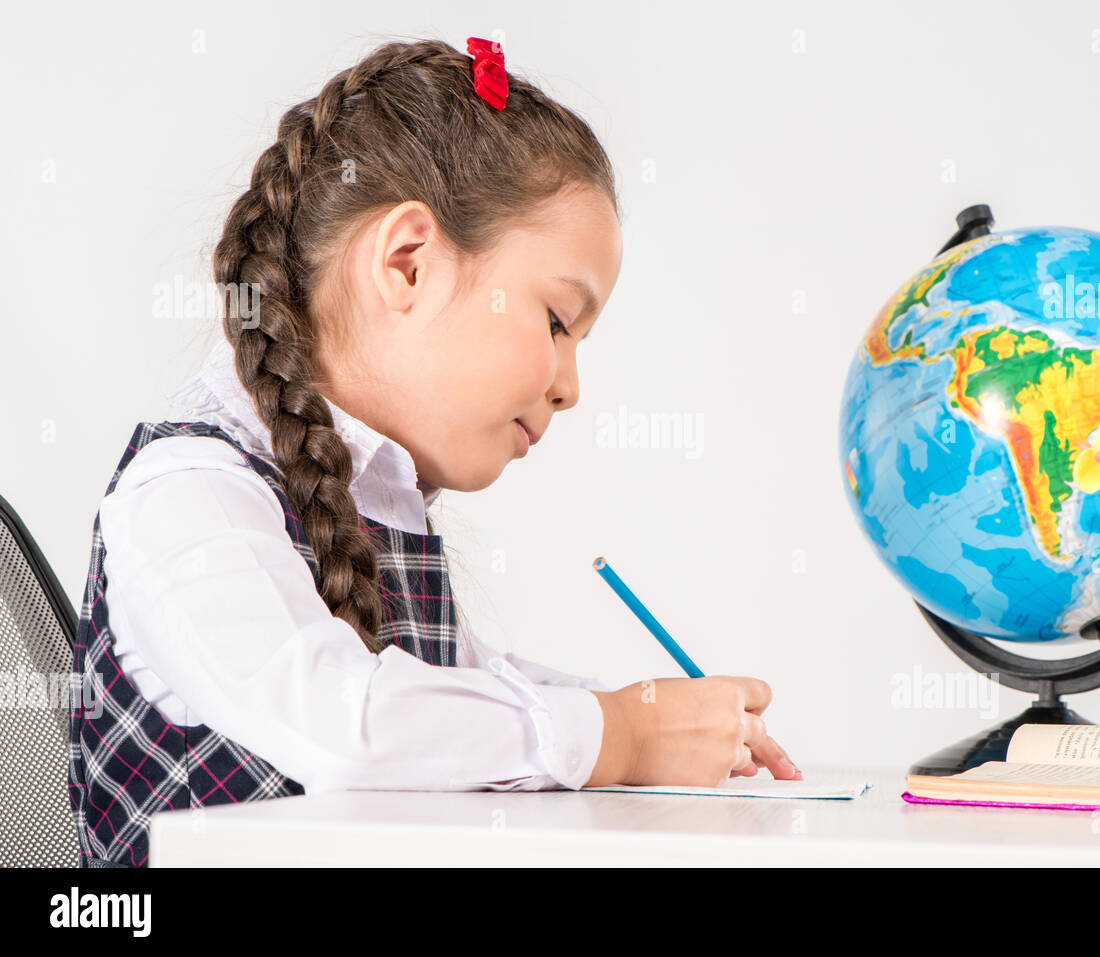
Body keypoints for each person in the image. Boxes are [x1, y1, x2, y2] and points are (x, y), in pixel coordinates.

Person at [68, 36, 799, 868]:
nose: (570, 387)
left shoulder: (376, 504)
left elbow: (470, 699)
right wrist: (621, 735)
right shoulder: (188, 496)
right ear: (408, 264)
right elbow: (350, 726)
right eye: (558, 321)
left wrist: (653, 716)